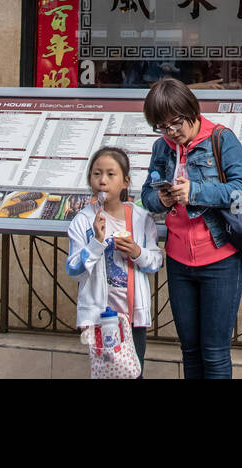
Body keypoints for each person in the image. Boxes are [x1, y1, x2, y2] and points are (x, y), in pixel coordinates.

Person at [139, 77, 242, 379]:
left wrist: (196, 192)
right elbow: (146, 195)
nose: (171, 133)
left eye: (175, 124)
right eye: (162, 127)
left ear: (191, 110)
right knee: (189, 352)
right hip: (178, 261)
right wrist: (161, 198)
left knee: (215, 355)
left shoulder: (220, 138)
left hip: (219, 259)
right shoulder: (161, 147)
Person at [66, 146, 163, 375]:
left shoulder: (140, 219)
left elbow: (155, 261)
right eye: (96, 174)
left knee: (133, 370)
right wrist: (96, 243)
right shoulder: (83, 220)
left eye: (111, 174)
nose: (102, 181)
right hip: (100, 316)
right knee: (106, 371)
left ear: (125, 182)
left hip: (132, 315)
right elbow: (73, 269)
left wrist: (137, 252)